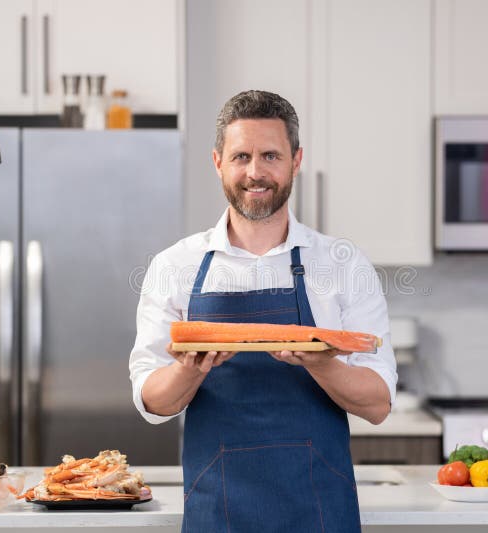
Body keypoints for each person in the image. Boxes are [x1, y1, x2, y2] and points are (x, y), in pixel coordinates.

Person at [129, 90, 397, 532]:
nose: (255, 172)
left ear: (296, 160)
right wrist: (190, 371)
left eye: (271, 155)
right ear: (218, 162)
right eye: (241, 157)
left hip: (319, 511)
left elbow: (378, 404)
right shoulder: (175, 266)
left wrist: (322, 364)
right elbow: (152, 402)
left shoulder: (343, 264)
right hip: (218, 512)